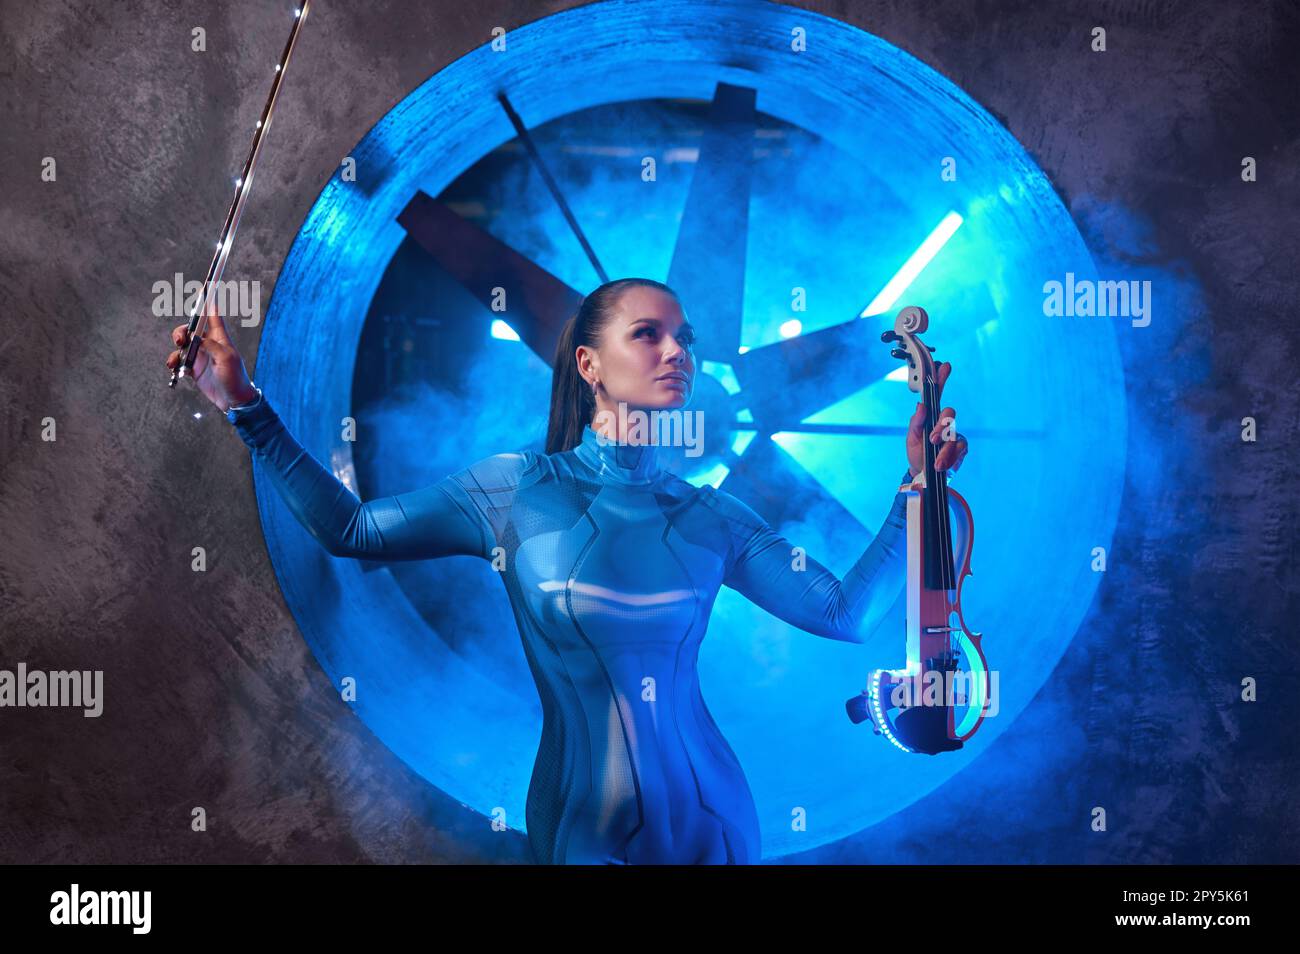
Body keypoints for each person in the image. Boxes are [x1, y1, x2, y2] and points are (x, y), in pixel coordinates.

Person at [165, 277, 968, 864]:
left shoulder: (713, 516)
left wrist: (918, 486)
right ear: (589, 364)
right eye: (649, 334)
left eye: (684, 336)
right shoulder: (514, 490)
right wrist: (245, 405)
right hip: (578, 829)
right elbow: (349, 528)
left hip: (719, 823)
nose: (678, 351)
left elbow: (845, 615)